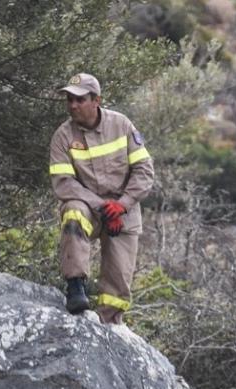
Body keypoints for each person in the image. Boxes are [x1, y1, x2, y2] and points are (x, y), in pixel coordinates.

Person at [48, 72, 155, 324]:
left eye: (80, 99)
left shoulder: (121, 125)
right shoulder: (62, 136)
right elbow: (63, 183)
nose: (73, 105)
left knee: (117, 289)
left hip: (124, 212)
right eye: (69, 100)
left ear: (96, 100)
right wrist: (102, 206)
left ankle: (109, 324)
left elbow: (144, 171)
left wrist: (122, 205)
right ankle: (75, 287)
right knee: (72, 211)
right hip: (89, 208)